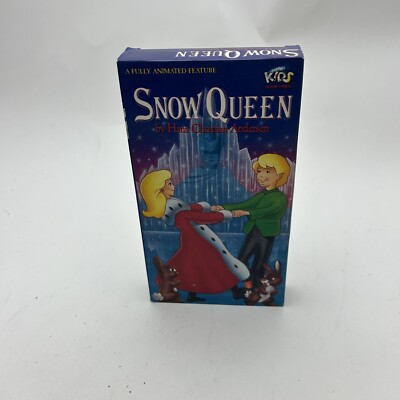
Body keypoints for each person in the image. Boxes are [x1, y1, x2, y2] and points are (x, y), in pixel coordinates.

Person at [139, 169, 249, 302]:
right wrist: (228, 214)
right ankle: (234, 291)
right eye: (169, 184)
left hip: (194, 240)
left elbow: (189, 208)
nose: (173, 186)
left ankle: (192, 295)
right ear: (161, 189)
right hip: (199, 241)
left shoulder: (172, 206)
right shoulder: (178, 212)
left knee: (193, 268)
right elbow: (202, 217)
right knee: (217, 264)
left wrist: (208, 207)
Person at [213, 153, 290, 301]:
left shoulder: (280, 198)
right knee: (241, 260)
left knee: (260, 265)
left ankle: (255, 290)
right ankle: (242, 287)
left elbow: (269, 211)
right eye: (259, 171)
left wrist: (247, 212)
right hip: (254, 231)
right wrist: (223, 207)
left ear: (279, 175)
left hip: (266, 235)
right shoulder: (262, 195)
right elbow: (245, 204)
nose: (261, 175)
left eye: (267, 172)